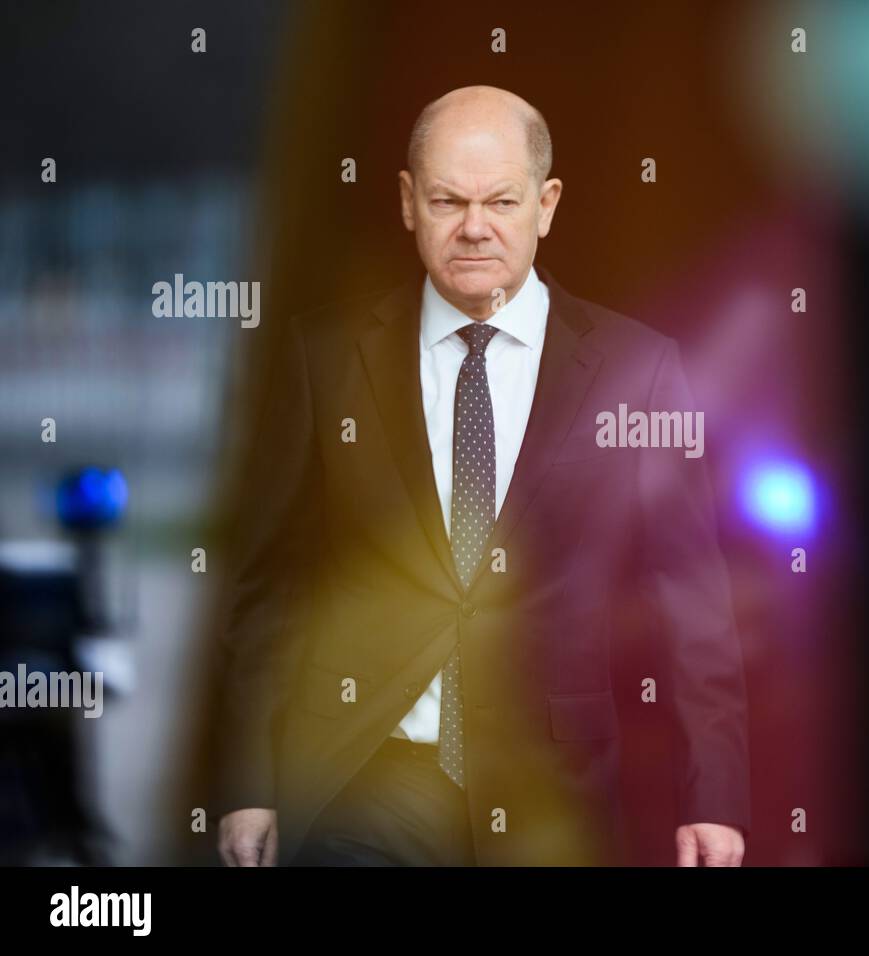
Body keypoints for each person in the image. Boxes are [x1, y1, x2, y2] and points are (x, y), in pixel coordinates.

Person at [213, 85, 751, 867]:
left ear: (547, 203)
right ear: (407, 202)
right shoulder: (325, 363)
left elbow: (693, 599)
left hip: (550, 789)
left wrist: (715, 801)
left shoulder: (639, 372)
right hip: (364, 777)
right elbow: (273, 587)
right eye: (447, 200)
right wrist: (251, 782)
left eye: (501, 200)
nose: (473, 228)